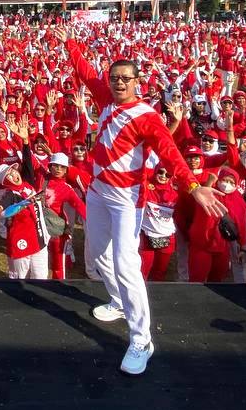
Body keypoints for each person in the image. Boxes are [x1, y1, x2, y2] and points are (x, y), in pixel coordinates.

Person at [52, 26, 224, 376]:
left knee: (126, 263)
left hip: (128, 199)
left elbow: (170, 154)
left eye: (125, 78)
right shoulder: (104, 99)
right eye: (114, 77)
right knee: (97, 255)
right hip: (98, 192)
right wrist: (69, 40)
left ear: (136, 82)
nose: (118, 83)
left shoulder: (146, 117)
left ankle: (141, 339)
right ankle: (117, 301)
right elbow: (85, 72)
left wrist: (193, 186)